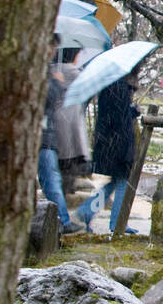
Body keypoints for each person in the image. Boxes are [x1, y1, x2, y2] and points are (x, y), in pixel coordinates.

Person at [78, 64, 141, 233]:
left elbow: (113, 114)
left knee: (113, 184)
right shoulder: (120, 87)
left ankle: (87, 212)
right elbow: (120, 119)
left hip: (110, 143)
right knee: (122, 183)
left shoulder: (112, 84)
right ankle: (117, 222)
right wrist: (133, 111)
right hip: (119, 145)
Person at [39, 34, 84, 234]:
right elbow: (46, 100)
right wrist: (56, 83)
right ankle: (63, 222)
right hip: (42, 135)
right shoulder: (45, 72)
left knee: (51, 180)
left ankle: (60, 220)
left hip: (45, 134)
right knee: (51, 180)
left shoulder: (48, 69)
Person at [54, 46, 91, 194]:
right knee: (68, 171)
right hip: (71, 127)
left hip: (54, 127)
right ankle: (62, 207)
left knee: (56, 169)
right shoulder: (76, 74)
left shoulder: (51, 71)